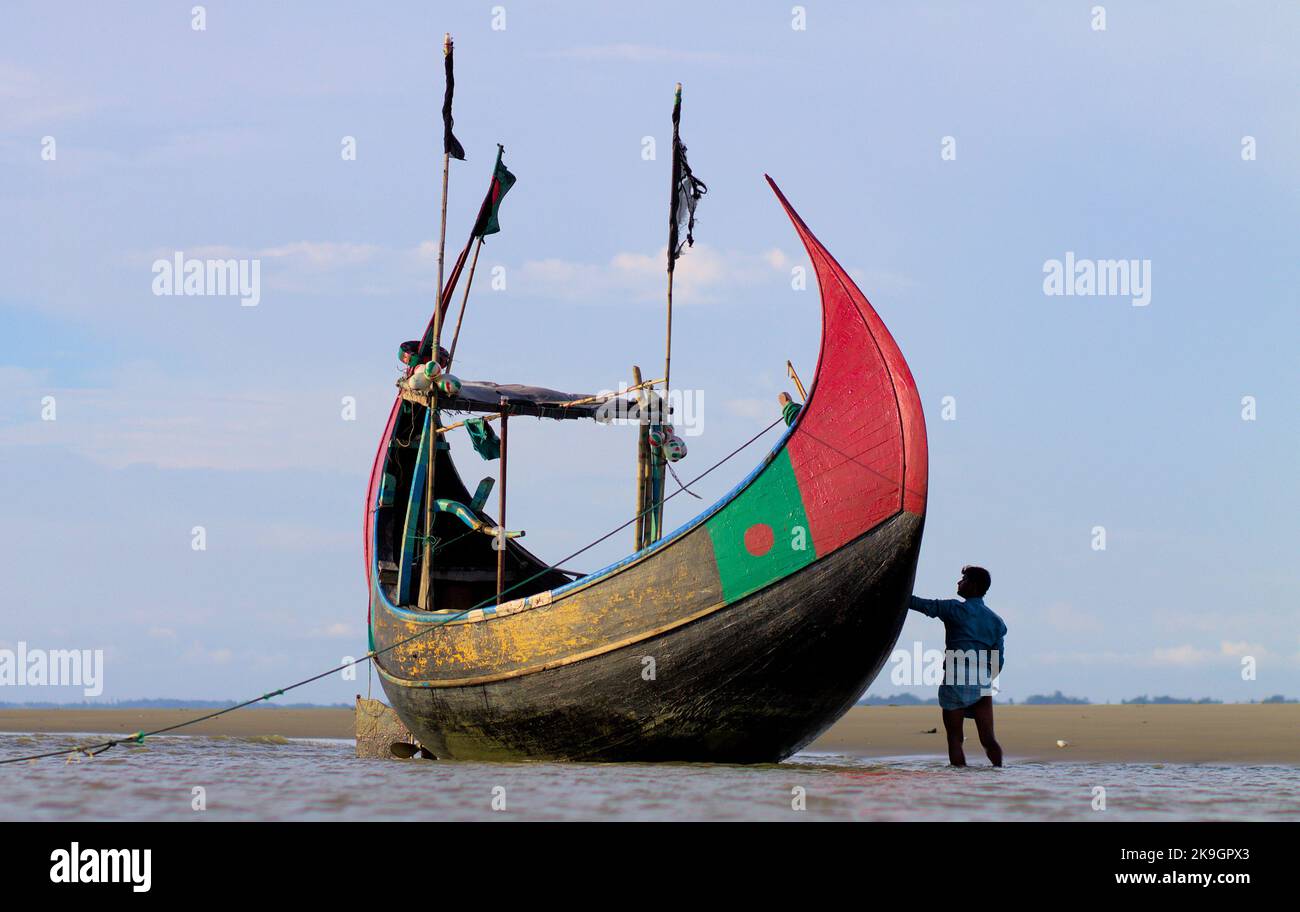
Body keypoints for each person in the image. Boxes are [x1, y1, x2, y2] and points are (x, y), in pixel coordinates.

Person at [910, 566, 1007, 767]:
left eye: (963, 579)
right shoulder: (996, 621)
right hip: (981, 679)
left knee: (955, 739)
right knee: (988, 740)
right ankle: (999, 774)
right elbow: (999, 661)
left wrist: (897, 592)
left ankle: (959, 779)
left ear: (972, 586)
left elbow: (920, 604)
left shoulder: (954, 609)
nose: (958, 582)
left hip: (955, 677)